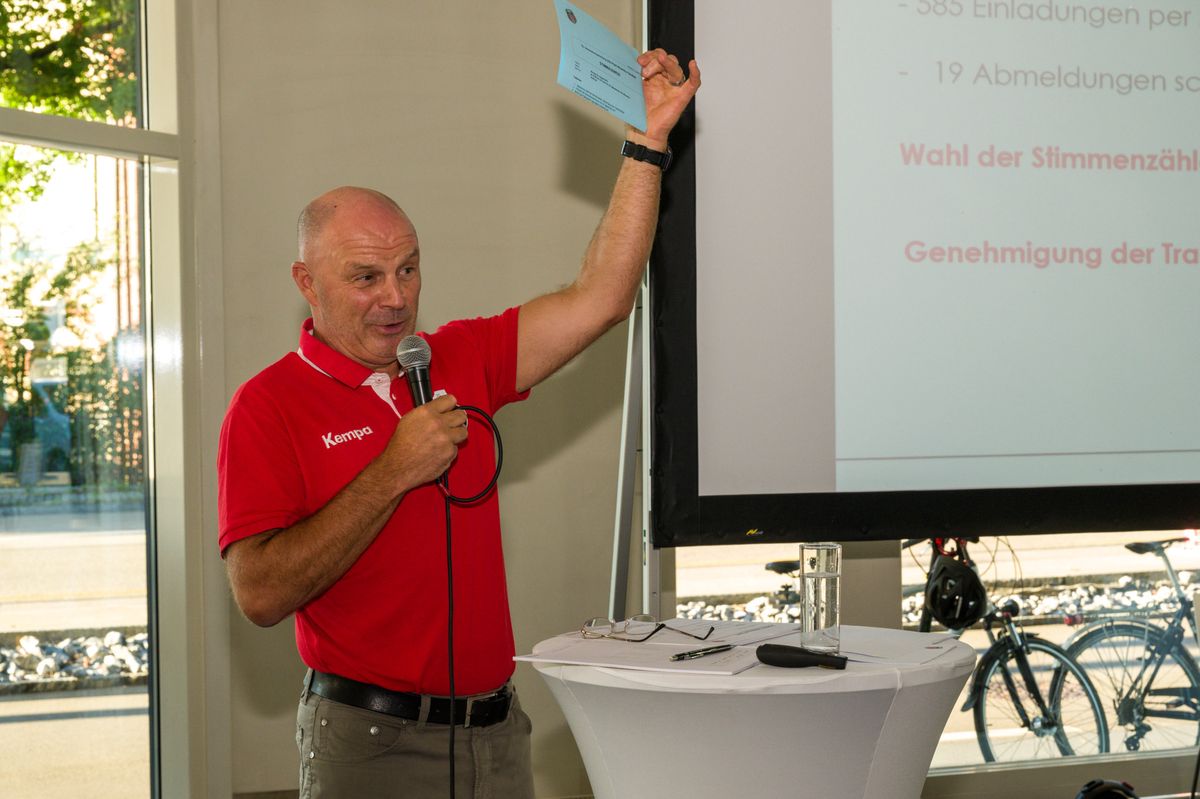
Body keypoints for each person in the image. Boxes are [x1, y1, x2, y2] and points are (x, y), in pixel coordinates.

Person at [217, 48, 700, 798]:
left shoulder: (458, 357)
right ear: (306, 283)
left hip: (496, 736)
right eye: (366, 276)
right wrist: (393, 469)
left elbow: (602, 297)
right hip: (369, 745)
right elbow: (259, 593)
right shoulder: (268, 404)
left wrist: (649, 145)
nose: (396, 297)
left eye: (408, 268)